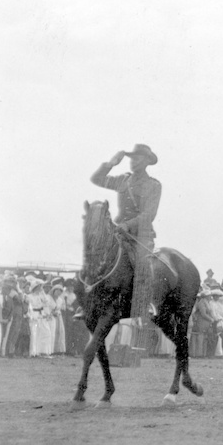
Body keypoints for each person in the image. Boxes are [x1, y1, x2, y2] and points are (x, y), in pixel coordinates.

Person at [88, 145, 161, 350]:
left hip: (141, 235)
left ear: (147, 161)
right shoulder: (123, 180)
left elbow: (149, 214)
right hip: (119, 232)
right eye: (131, 158)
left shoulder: (154, 185)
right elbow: (96, 179)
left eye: (137, 158)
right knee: (97, 255)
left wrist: (128, 225)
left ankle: (146, 304)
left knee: (142, 263)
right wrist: (111, 163)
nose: (133, 161)